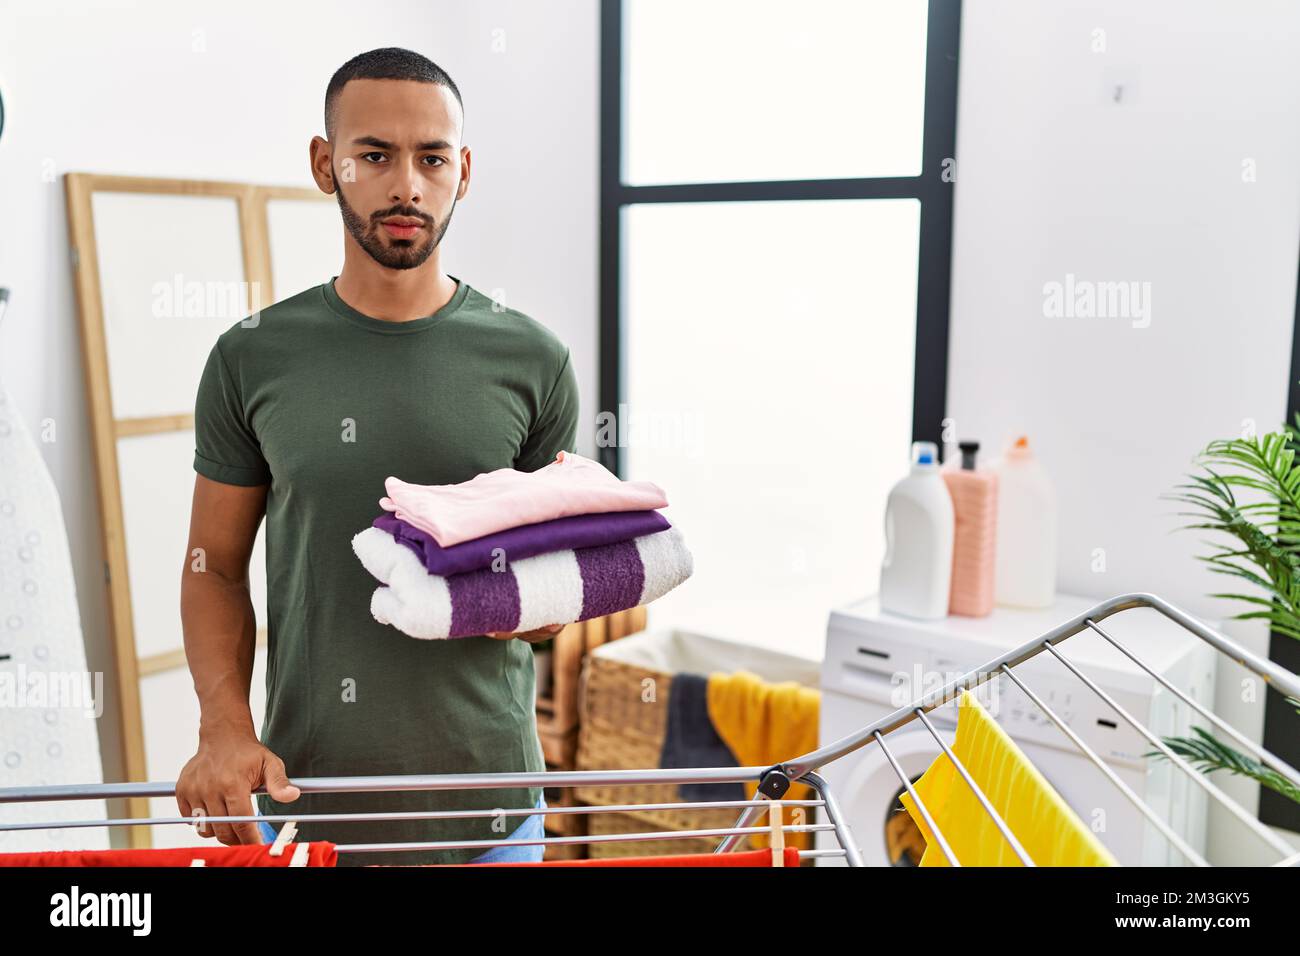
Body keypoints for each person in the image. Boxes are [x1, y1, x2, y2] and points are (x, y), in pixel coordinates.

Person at [176, 47, 576, 866]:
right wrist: (224, 727)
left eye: (431, 158)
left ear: (462, 171)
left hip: (491, 816)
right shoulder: (252, 356)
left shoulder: (535, 360)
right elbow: (213, 564)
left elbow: (560, 587)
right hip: (314, 809)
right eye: (374, 155)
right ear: (327, 165)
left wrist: (488, 590)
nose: (406, 186)